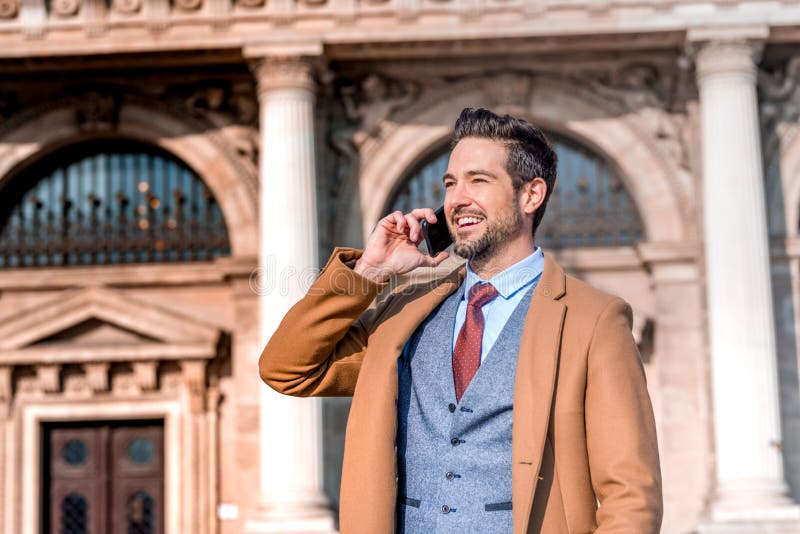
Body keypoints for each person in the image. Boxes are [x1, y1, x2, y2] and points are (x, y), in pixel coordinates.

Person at [259, 108, 662, 533]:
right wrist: (371, 274)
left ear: (531, 195)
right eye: (450, 183)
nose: (457, 198)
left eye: (478, 180)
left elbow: (630, 495)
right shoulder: (406, 314)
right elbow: (288, 369)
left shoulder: (594, 320)